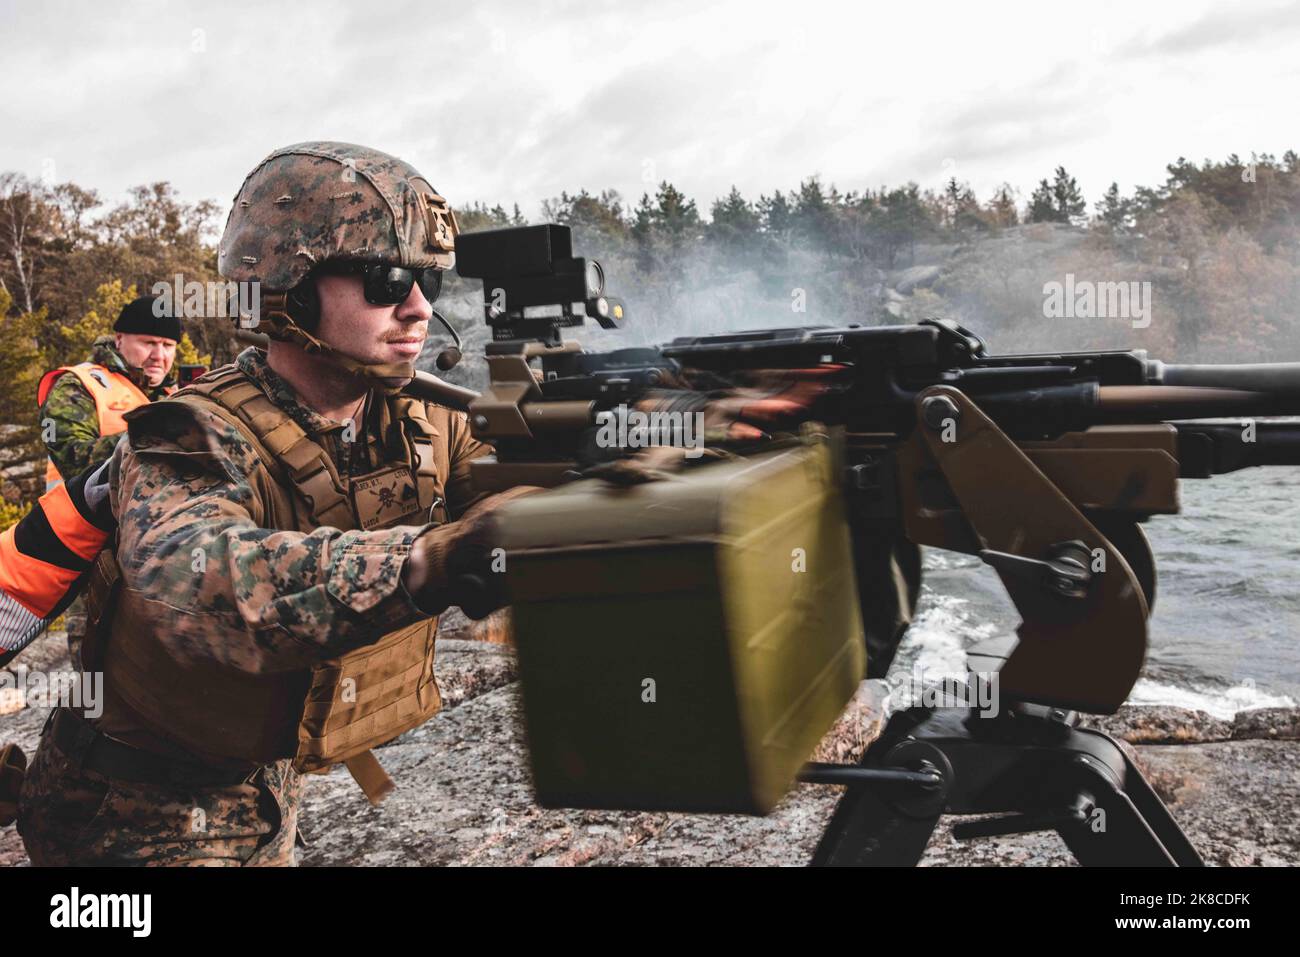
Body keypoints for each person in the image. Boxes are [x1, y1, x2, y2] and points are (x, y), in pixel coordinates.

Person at [17, 141, 536, 866]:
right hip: (129, 814)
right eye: (387, 279)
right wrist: (430, 561)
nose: (417, 308)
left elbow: (522, 493)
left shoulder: (421, 418)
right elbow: (203, 587)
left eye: (427, 283)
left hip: (266, 787)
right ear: (288, 286)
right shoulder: (187, 434)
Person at [35, 296, 180, 663]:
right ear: (119, 340)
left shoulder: (172, 396)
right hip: (91, 557)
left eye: (167, 346)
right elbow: (73, 458)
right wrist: (156, 431)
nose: (158, 355)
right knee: (96, 674)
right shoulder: (79, 385)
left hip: (158, 557)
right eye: (148, 342)